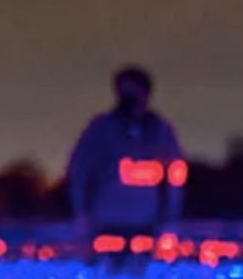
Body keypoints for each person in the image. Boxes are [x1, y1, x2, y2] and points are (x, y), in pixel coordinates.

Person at [65, 66, 186, 242]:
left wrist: (170, 217)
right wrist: (81, 212)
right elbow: (80, 171)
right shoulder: (100, 129)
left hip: (147, 221)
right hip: (106, 220)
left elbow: (175, 175)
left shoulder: (161, 131)